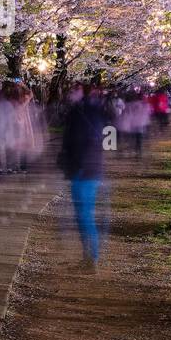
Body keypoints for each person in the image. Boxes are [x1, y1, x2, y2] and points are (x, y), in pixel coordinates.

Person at [58, 83, 108, 268]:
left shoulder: (82, 113)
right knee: (82, 214)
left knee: (84, 214)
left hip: (84, 169)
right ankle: (88, 256)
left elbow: (77, 141)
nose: (69, 92)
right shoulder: (91, 111)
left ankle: (91, 257)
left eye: (73, 90)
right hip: (89, 168)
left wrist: (73, 163)